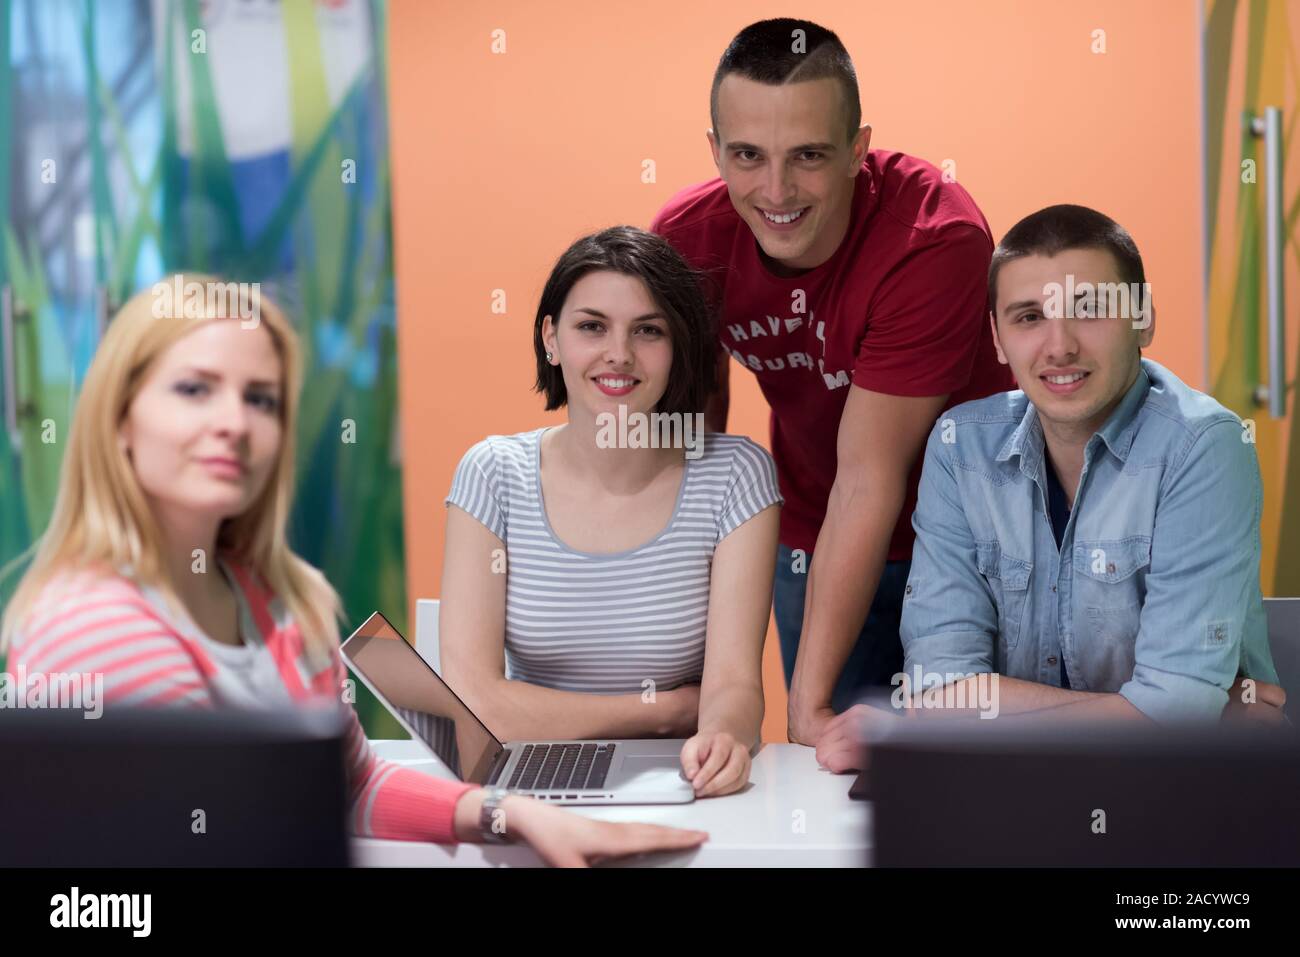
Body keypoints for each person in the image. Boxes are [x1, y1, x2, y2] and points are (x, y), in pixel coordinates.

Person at [0, 274, 707, 866]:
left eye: (260, 399)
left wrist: (507, 811)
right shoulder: (94, 628)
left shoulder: (268, 596)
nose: (234, 423)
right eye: (194, 389)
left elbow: (348, 783)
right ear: (119, 417)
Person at [813, 205, 1286, 772]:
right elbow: (939, 689)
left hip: (1184, 792)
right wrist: (1154, 714)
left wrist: (953, 728)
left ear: (1144, 319)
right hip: (1014, 788)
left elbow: (1173, 727)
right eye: (1029, 317)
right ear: (996, 337)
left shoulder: (1206, 447)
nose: (1059, 347)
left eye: (1088, 310)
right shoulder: (961, 446)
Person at [650, 18, 1015, 752]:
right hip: (813, 533)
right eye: (747, 155)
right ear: (714, 150)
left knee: (972, 779)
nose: (776, 190)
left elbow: (869, 476)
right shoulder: (686, 242)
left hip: (969, 543)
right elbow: (696, 443)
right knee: (837, 783)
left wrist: (804, 704)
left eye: (808, 155)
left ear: (858, 148)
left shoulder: (934, 236)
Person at [440, 226, 782, 798]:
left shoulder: (735, 475)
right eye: (591, 326)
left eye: (648, 330)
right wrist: (668, 712)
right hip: (527, 791)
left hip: (681, 784)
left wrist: (720, 732)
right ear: (551, 338)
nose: (618, 354)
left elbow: (735, 689)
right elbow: (478, 705)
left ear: (679, 347)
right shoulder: (493, 473)